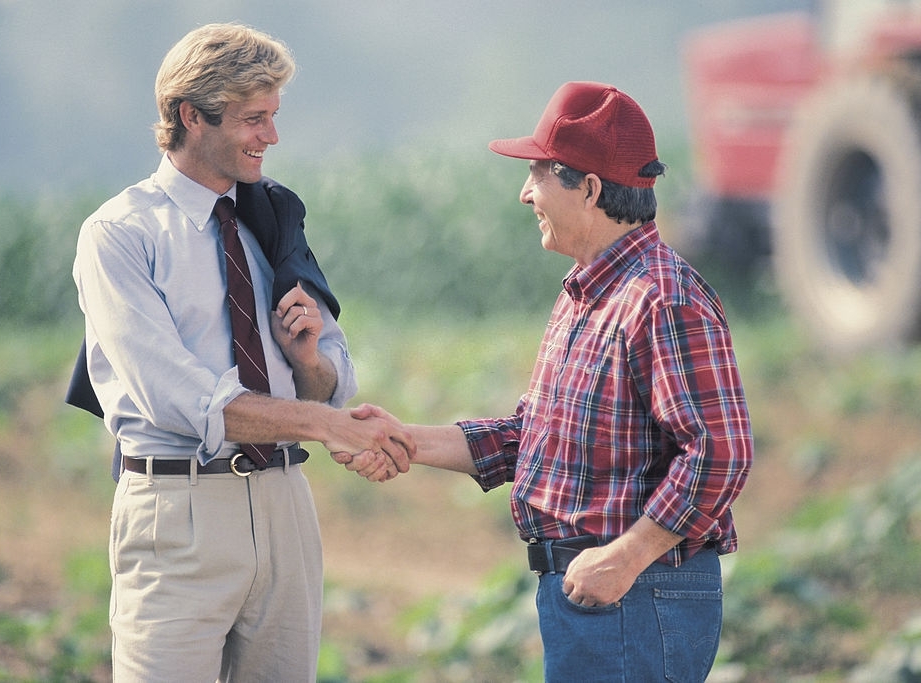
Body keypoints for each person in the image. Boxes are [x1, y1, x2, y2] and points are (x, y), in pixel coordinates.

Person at [341, 81, 753, 682]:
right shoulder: (587, 294)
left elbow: (720, 452)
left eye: (538, 174)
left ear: (588, 188)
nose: (524, 193)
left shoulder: (661, 299)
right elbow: (530, 438)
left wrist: (625, 557)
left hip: (635, 595)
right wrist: (405, 438)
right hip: (595, 593)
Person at [72, 23, 412, 682]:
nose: (272, 137)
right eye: (254, 119)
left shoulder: (276, 213)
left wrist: (310, 362)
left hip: (286, 505)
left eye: (274, 116)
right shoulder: (120, 234)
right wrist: (323, 424)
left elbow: (330, 379)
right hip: (179, 512)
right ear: (190, 117)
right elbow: (177, 396)